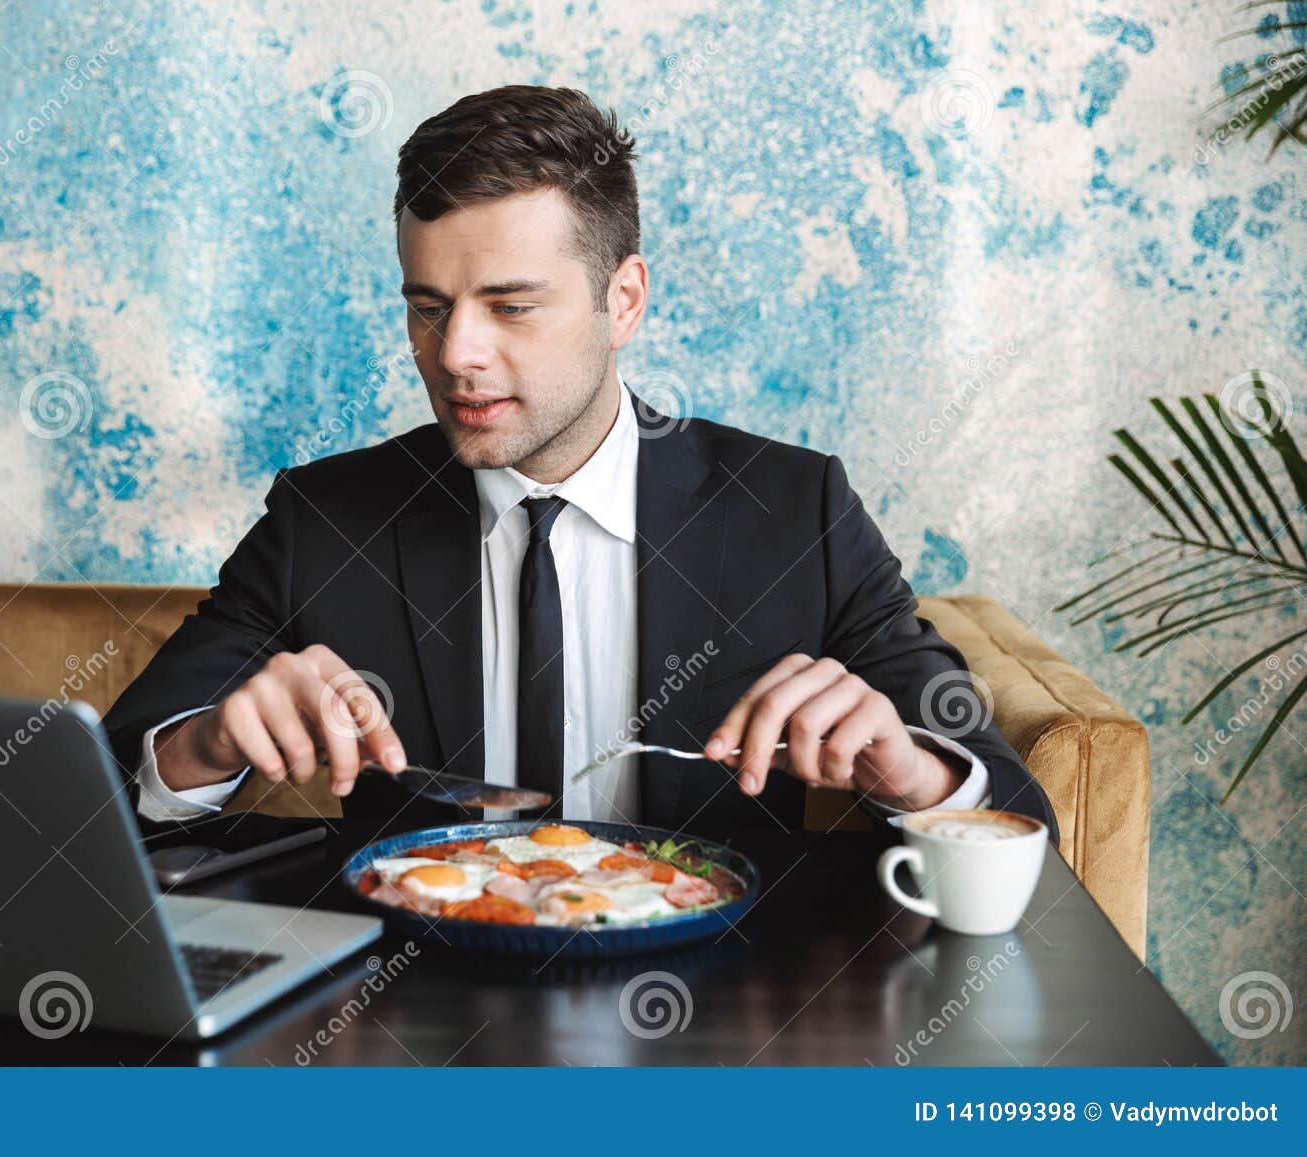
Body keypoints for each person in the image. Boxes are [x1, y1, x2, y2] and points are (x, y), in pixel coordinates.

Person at [104, 85, 1059, 843]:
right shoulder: (326, 520)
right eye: (428, 307)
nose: (456, 354)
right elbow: (97, 801)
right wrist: (204, 745)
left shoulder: (792, 510)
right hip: (418, 1028)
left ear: (624, 300)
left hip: (709, 1036)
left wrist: (914, 773)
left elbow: (1018, 814)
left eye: (511, 306)